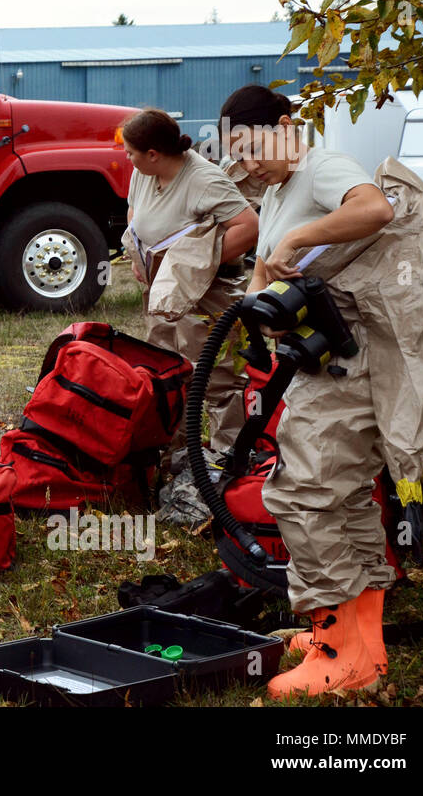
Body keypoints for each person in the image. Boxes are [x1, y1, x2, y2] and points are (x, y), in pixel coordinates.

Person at [221, 84, 397, 698]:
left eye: (251, 149)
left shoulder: (323, 167)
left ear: (288, 125)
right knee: (345, 499)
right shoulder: (275, 191)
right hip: (318, 366)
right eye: (236, 156)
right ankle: (360, 642)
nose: (248, 165)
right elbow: (276, 268)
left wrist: (294, 242)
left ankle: (337, 648)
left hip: (350, 367)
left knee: (304, 494)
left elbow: (375, 209)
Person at [123, 109, 258, 457]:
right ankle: (174, 453)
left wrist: (197, 264)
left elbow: (249, 225)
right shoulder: (143, 174)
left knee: (217, 377)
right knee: (166, 372)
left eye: (131, 152)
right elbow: (134, 212)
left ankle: (229, 461)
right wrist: (140, 255)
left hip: (208, 296)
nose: (126, 158)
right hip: (162, 292)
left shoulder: (205, 180)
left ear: (154, 154)